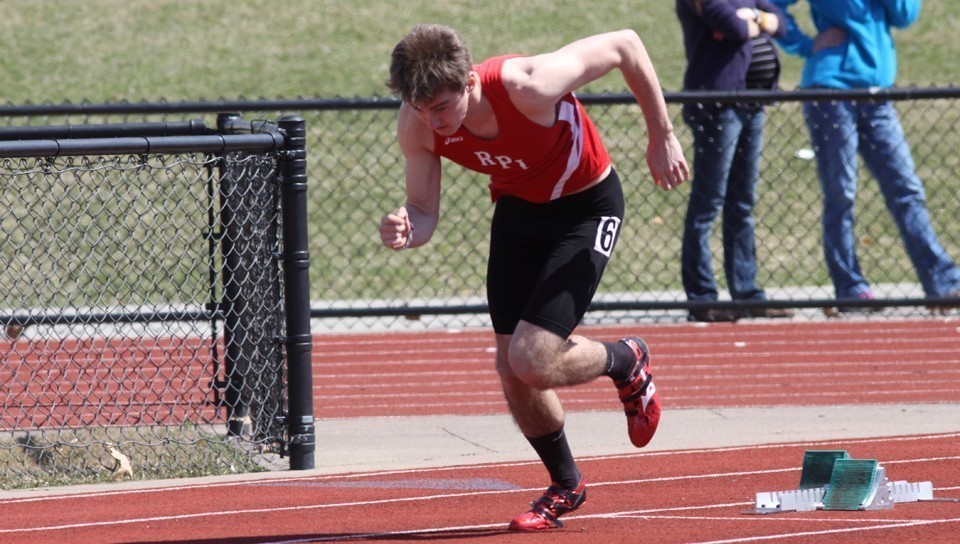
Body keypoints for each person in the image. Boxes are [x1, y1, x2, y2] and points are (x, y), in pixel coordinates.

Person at [379, 24, 689, 531]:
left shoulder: (527, 85)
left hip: (586, 207)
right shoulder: (415, 122)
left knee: (533, 358)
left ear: (470, 85)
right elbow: (423, 211)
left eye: (440, 109)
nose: (430, 122)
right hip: (520, 211)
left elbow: (627, 44)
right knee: (511, 366)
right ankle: (567, 485)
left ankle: (626, 359)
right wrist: (407, 227)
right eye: (419, 109)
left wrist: (662, 134)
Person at [770, 0, 960, 311]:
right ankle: (851, 289)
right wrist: (805, 44)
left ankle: (943, 284)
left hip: (878, 93)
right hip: (831, 92)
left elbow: (905, 16)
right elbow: (773, 5)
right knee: (841, 192)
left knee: (907, 188)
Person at [676, 0, 796, 322]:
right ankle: (702, 298)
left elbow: (782, 23)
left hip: (752, 104)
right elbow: (735, 28)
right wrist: (755, 22)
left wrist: (756, 16)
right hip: (718, 107)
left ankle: (747, 294)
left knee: (742, 202)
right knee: (708, 203)